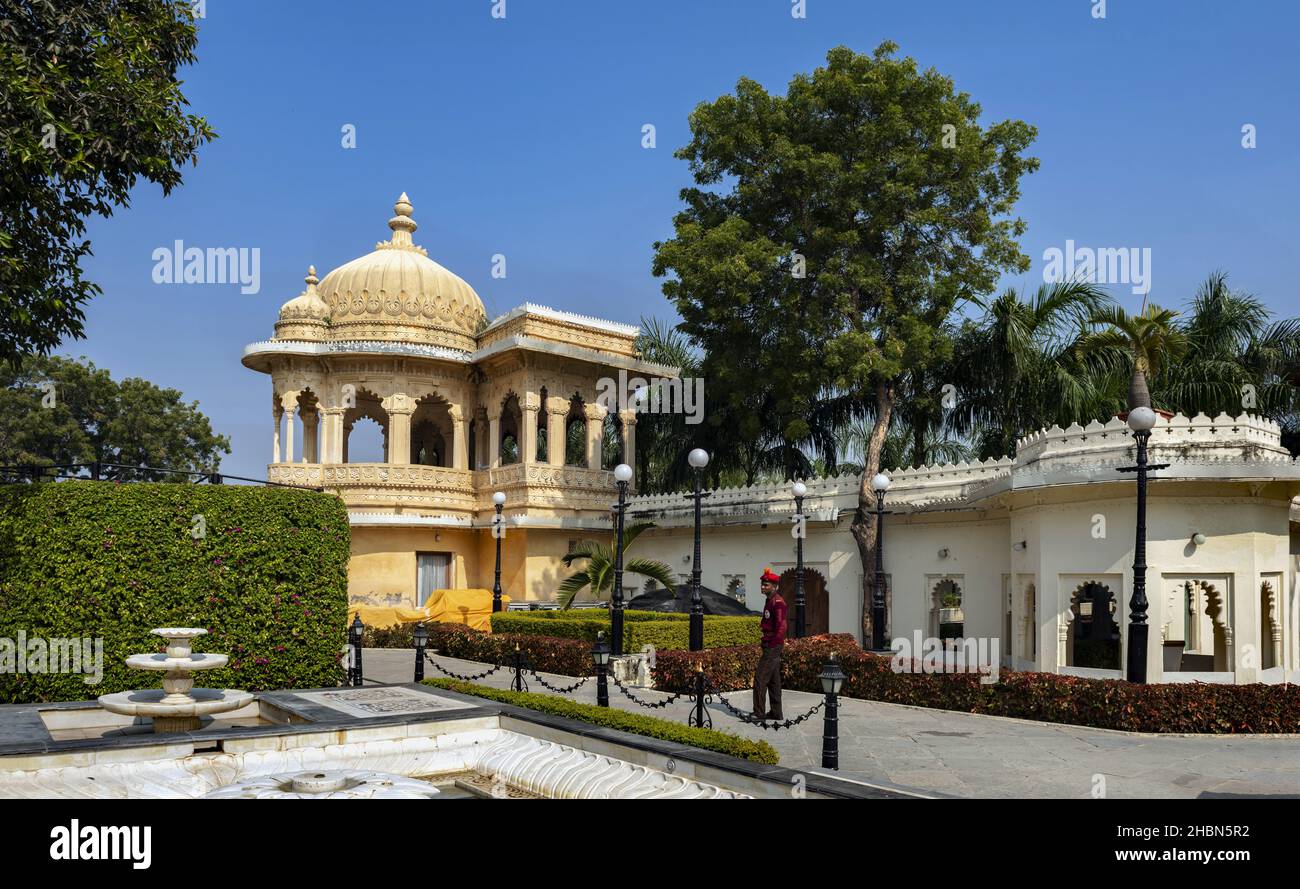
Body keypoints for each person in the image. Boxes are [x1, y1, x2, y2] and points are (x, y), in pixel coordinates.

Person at [753, 567, 786, 720]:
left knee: (760, 679)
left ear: (774, 586)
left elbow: (782, 625)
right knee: (773, 681)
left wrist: (773, 644)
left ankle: (759, 713)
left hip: (772, 645)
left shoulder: (778, 602)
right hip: (769, 643)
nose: (763, 587)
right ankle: (776, 712)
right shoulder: (770, 600)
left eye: (766, 585)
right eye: (762, 584)